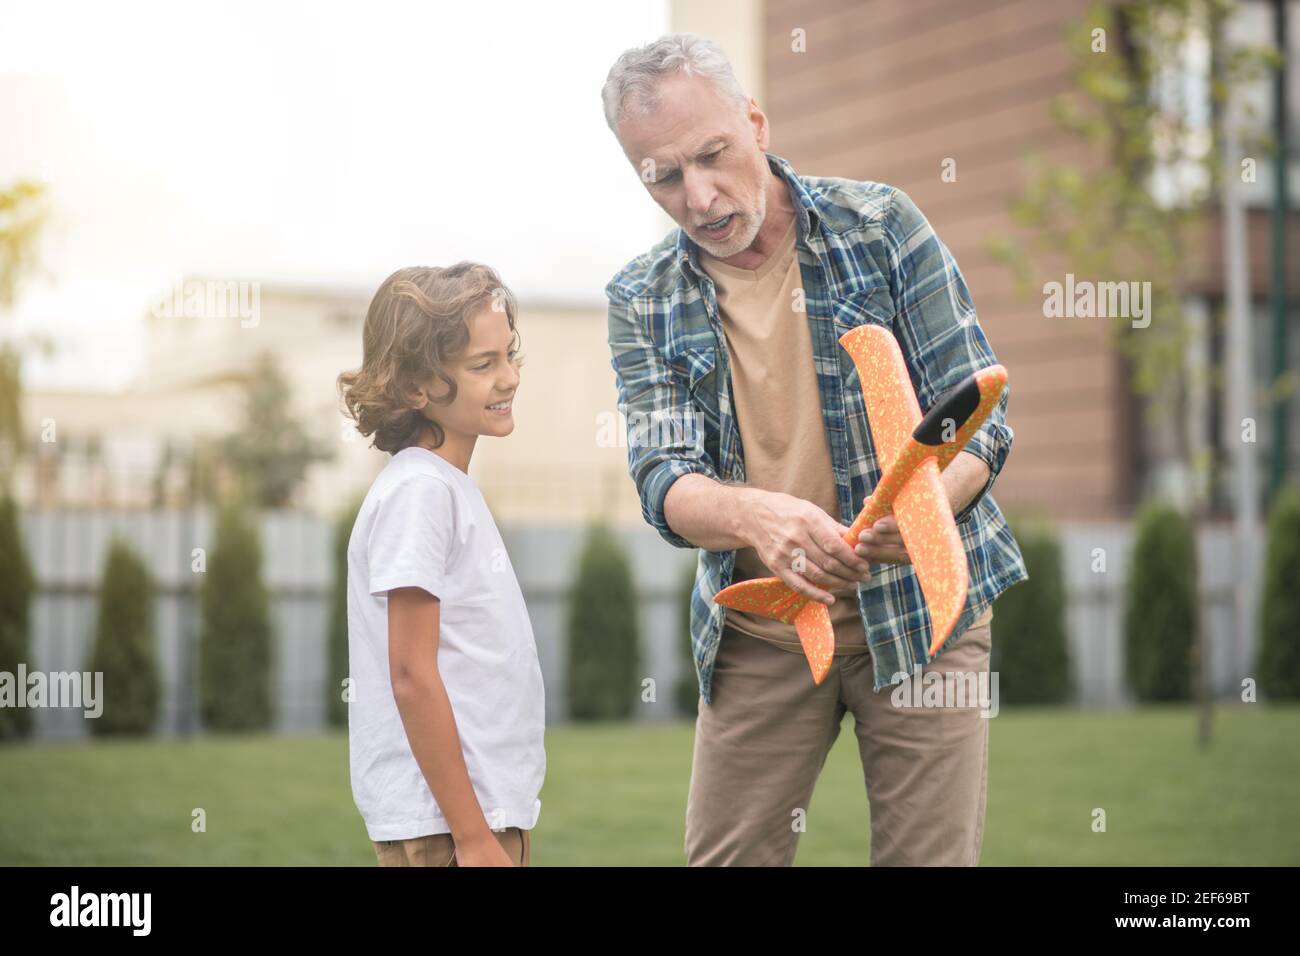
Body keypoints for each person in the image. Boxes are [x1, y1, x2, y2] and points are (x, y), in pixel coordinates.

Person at [601, 33, 1028, 865]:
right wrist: (757, 517)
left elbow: (985, 417)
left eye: (713, 155)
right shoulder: (639, 300)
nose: (699, 196)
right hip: (766, 632)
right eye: (664, 177)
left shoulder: (881, 226)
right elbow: (663, 481)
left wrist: (930, 506)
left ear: (755, 123)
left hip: (922, 618)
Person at [337, 263, 544, 867]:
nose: (508, 377)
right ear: (414, 388)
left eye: (510, 355)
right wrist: (474, 837)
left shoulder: (445, 487)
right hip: (449, 828)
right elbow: (411, 673)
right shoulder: (420, 493)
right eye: (483, 365)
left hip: (469, 818)